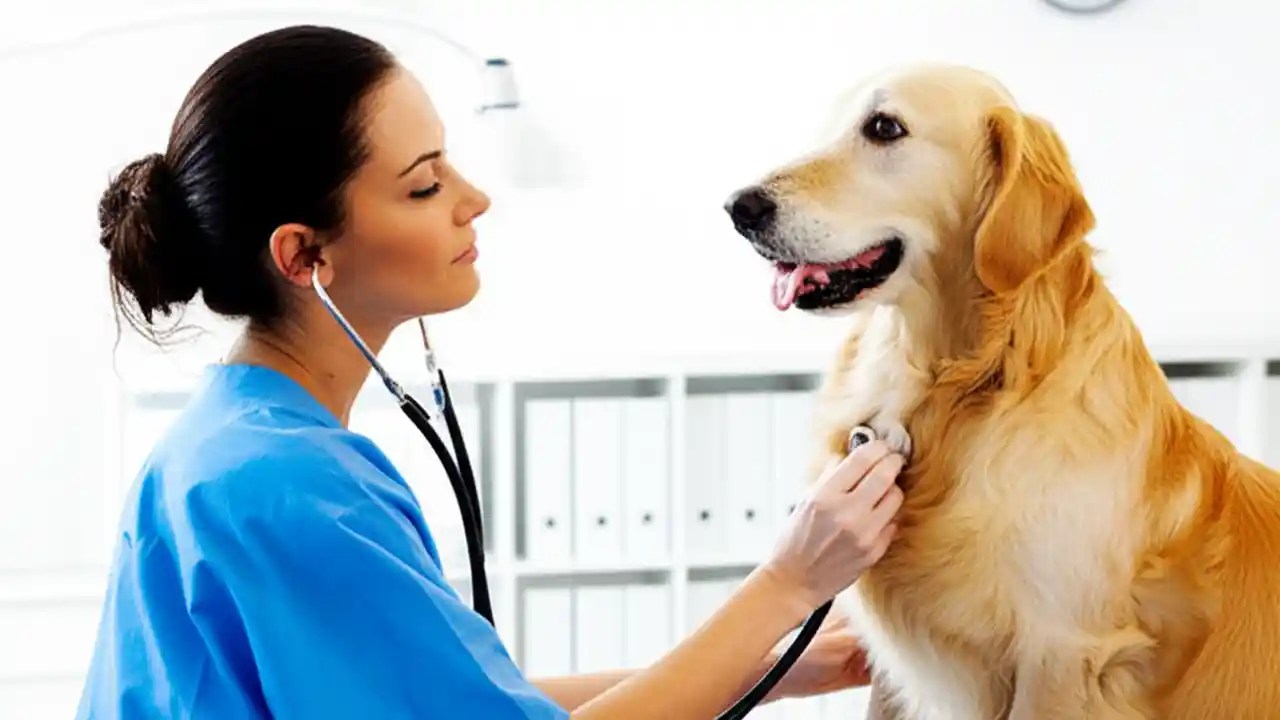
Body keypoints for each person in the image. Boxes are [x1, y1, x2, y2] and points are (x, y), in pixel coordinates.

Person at [79, 24, 906, 719]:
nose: (474, 198)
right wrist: (790, 582)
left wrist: (787, 668)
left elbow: (469, 699)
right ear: (305, 255)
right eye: (425, 185)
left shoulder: (226, 446)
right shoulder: (290, 491)